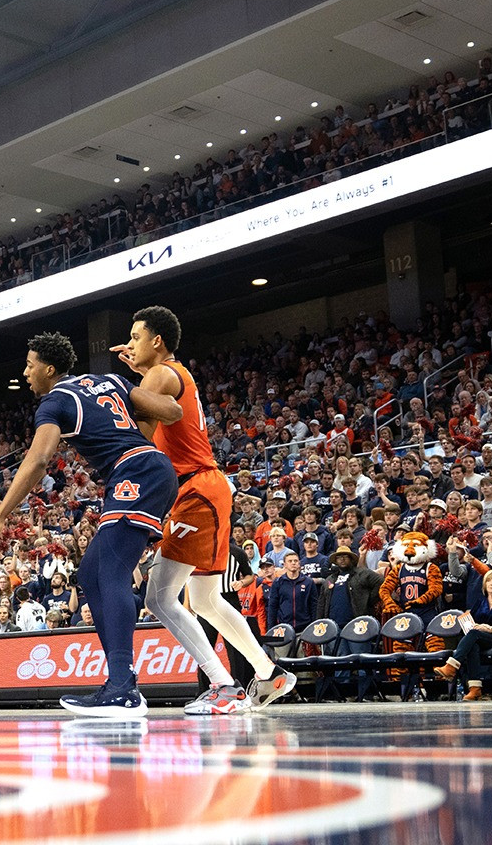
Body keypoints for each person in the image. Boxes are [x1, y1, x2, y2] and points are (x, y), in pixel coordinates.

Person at [0, 331, 182, 717]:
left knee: (111, 574)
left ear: (49, 369)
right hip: (149, 466)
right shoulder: (109, 381)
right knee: (90, 576)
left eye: (29, 365)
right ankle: (118, 683)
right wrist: (139, 375)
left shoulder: (54, 402)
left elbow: (39, 460)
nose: (25, 373)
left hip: (135, 471)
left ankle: (124, 688)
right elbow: (172, 411)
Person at [113, 306, 293, 714]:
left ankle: (224, 686)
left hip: (196, 491)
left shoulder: (162, 374)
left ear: (156, 341)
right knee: (207, 599)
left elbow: (132, 429)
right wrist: (140, 373)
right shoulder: (166, 375)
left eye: (135, 337)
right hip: (205, 490)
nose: (129, 344)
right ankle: (268, 672)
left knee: (159, 598)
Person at [435, 569, 492, 700]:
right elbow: (471, 620)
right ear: (484, 585)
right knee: (473, 645)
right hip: (479, 638)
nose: (491, 584)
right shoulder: (481, 602)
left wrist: (491, 629)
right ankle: (475, 689)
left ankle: (452, 666)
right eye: (488, 581)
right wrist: (467, 624)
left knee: (475, 634)